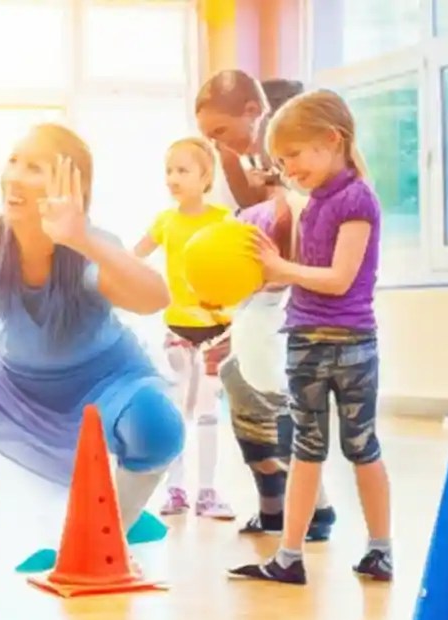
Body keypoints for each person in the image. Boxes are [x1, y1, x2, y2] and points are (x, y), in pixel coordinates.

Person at [0, 123, 184, 557]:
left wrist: (80, 237)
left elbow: (154, 298)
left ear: (72, 186)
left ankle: (109, 532)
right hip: (8, 376)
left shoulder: (89, 247)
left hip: (102, 377)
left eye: (34, 167)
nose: (13, 175)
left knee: (158, 427)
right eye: (13, 160)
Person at [229, 89, 393, 585]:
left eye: (294, 155)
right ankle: (288, 555)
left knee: (361, 444)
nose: (288, 168)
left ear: (331, 139)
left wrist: (282, 267)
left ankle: (380, 548)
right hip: (304, 338)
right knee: (306, 448)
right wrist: (266, 274)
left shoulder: (356, 198)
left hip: (350, 343)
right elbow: (306, 271)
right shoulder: (314, 202)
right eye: (281, 160)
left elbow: (339, 278)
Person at [195, 70, 337, 540]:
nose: (218, 144)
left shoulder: (293, 192)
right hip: (263, 312)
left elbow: (274, 257)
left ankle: (315, 507)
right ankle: (274, 504)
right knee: (240, 383)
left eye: (219, 132)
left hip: (291, 315)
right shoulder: (259, 177)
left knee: (281, 402)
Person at [133, 137, 235, 518]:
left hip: (216, 331)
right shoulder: (165, 221)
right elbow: (133, 257)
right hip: (178, 328)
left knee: (208, 411)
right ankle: (175, 490)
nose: (172, 178)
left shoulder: (224, 220)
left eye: (182, 170)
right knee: (178, 410)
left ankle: (207, 492)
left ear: (205, 175)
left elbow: (240, 264)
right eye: (168, 170)